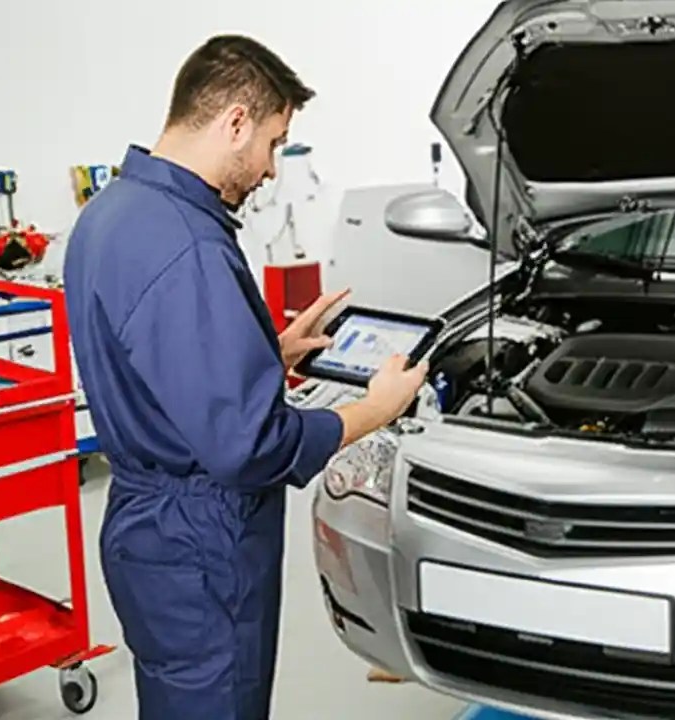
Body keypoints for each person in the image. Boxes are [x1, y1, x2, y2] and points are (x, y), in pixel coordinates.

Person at [63, 34, 427, 720]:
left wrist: (266, 354)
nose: (269, 169)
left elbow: (156, 364)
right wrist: (375, 410)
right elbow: (250, 446)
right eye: (273, 142)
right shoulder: (188, 243)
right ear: (235, 122)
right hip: (201, 545)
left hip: (146, 532)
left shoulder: (112, 214)